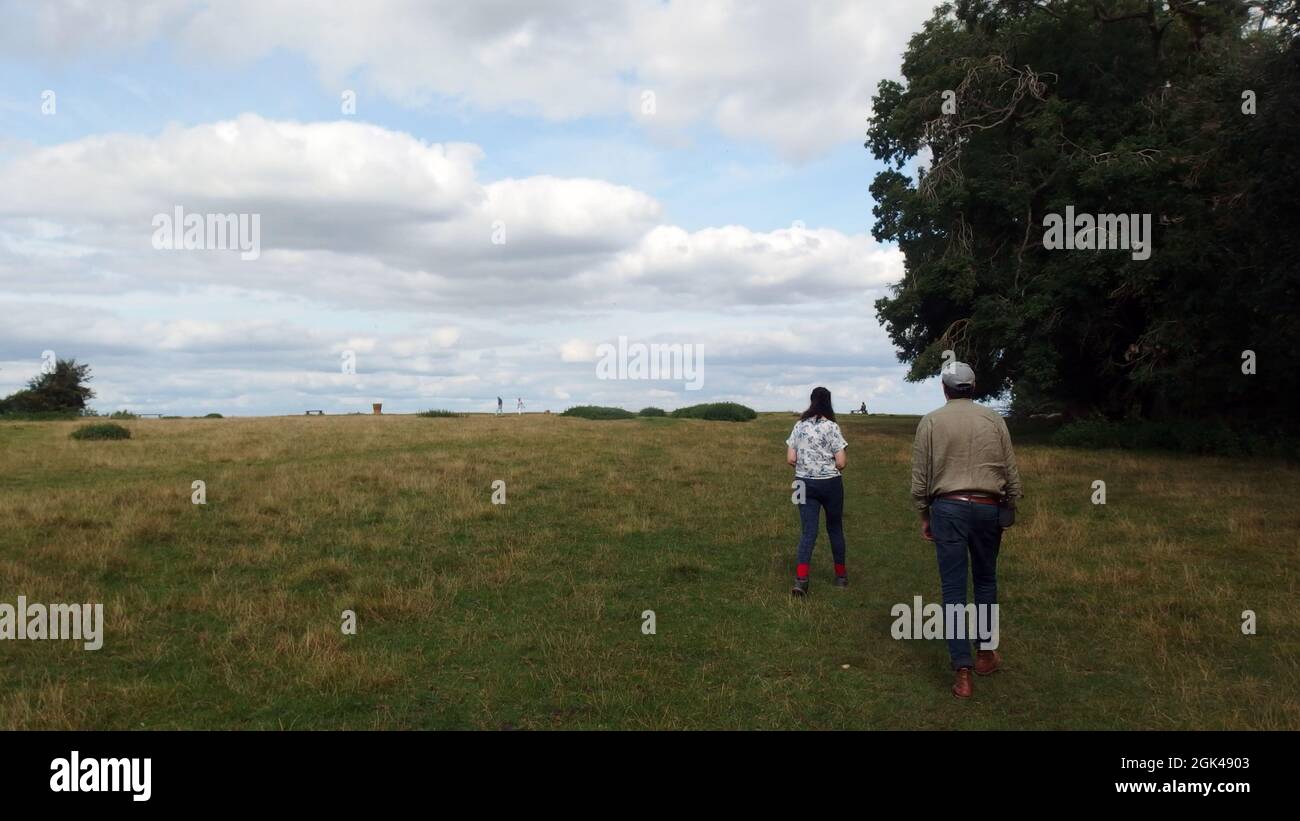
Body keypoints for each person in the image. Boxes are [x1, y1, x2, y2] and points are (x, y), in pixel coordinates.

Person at [910, 362, 1022, 699]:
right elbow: (1009, 467)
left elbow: (920, 474)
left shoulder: (931, 421)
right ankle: (986, 653)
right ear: (973, 388)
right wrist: (1010, 505)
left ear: (945, 389)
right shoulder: (993, 419)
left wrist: (924, 512)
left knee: (953, 588)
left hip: (948, 507)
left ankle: (962, 670)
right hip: (989, 508)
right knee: (986, 580)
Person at [785, 387, 848, 596]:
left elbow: (790, 458)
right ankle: (840, 576)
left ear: (811, 401)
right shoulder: (832, 427)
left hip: (802, 484)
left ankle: (801, 580)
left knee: (807, 532)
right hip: (830, 484)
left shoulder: (799, 425)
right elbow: (841, 462)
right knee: (835, 528)